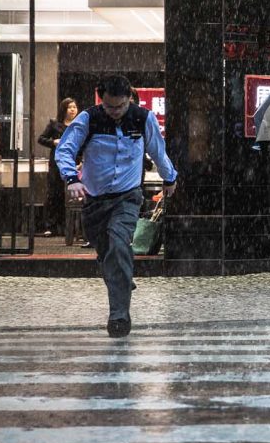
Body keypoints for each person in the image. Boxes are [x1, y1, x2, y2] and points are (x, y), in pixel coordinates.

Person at [56, 75, 177, 338]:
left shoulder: (143, 119)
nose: (115, 112)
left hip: (127, 197)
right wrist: (71, 179)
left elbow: (158, 150)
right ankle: (121, 274)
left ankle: (119, 316)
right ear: (102, 100)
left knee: (119, 243)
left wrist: (170, 178)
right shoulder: (89, 118)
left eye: (120, 106)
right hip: (94, 200)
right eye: (109, 107)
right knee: (107, 252)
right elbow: (64, 150)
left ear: (129, 99)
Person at [38, 97, 78, 237]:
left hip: (74, 162)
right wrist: (53, 142)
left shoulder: (79, 125)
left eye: (74, 107)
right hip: (57, 162)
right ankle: (50, 225)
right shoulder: (55, 124)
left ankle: (68, 227)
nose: (73, 109)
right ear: (64, 109)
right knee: (54, 193)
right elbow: (41, 139)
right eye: (70, 107)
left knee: (71, 195)